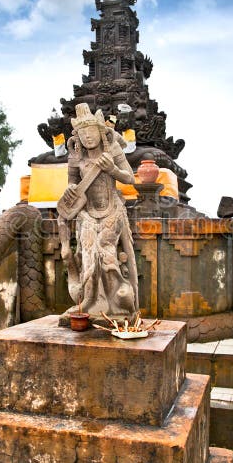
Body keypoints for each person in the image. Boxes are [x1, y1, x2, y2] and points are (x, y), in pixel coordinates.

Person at [59, 103, 139, 321]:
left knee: (105, 254)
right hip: (86, 213)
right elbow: (72, 183)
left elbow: (130, 178)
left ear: (100, 131)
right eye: (82, 134)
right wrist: (69, 188)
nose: (87, 138)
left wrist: (111, 169)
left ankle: (117, 305)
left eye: (91, 132)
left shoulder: (112, 149)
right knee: (88, 257)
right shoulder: (76, 155)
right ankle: (87, 303)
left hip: (111, 211)